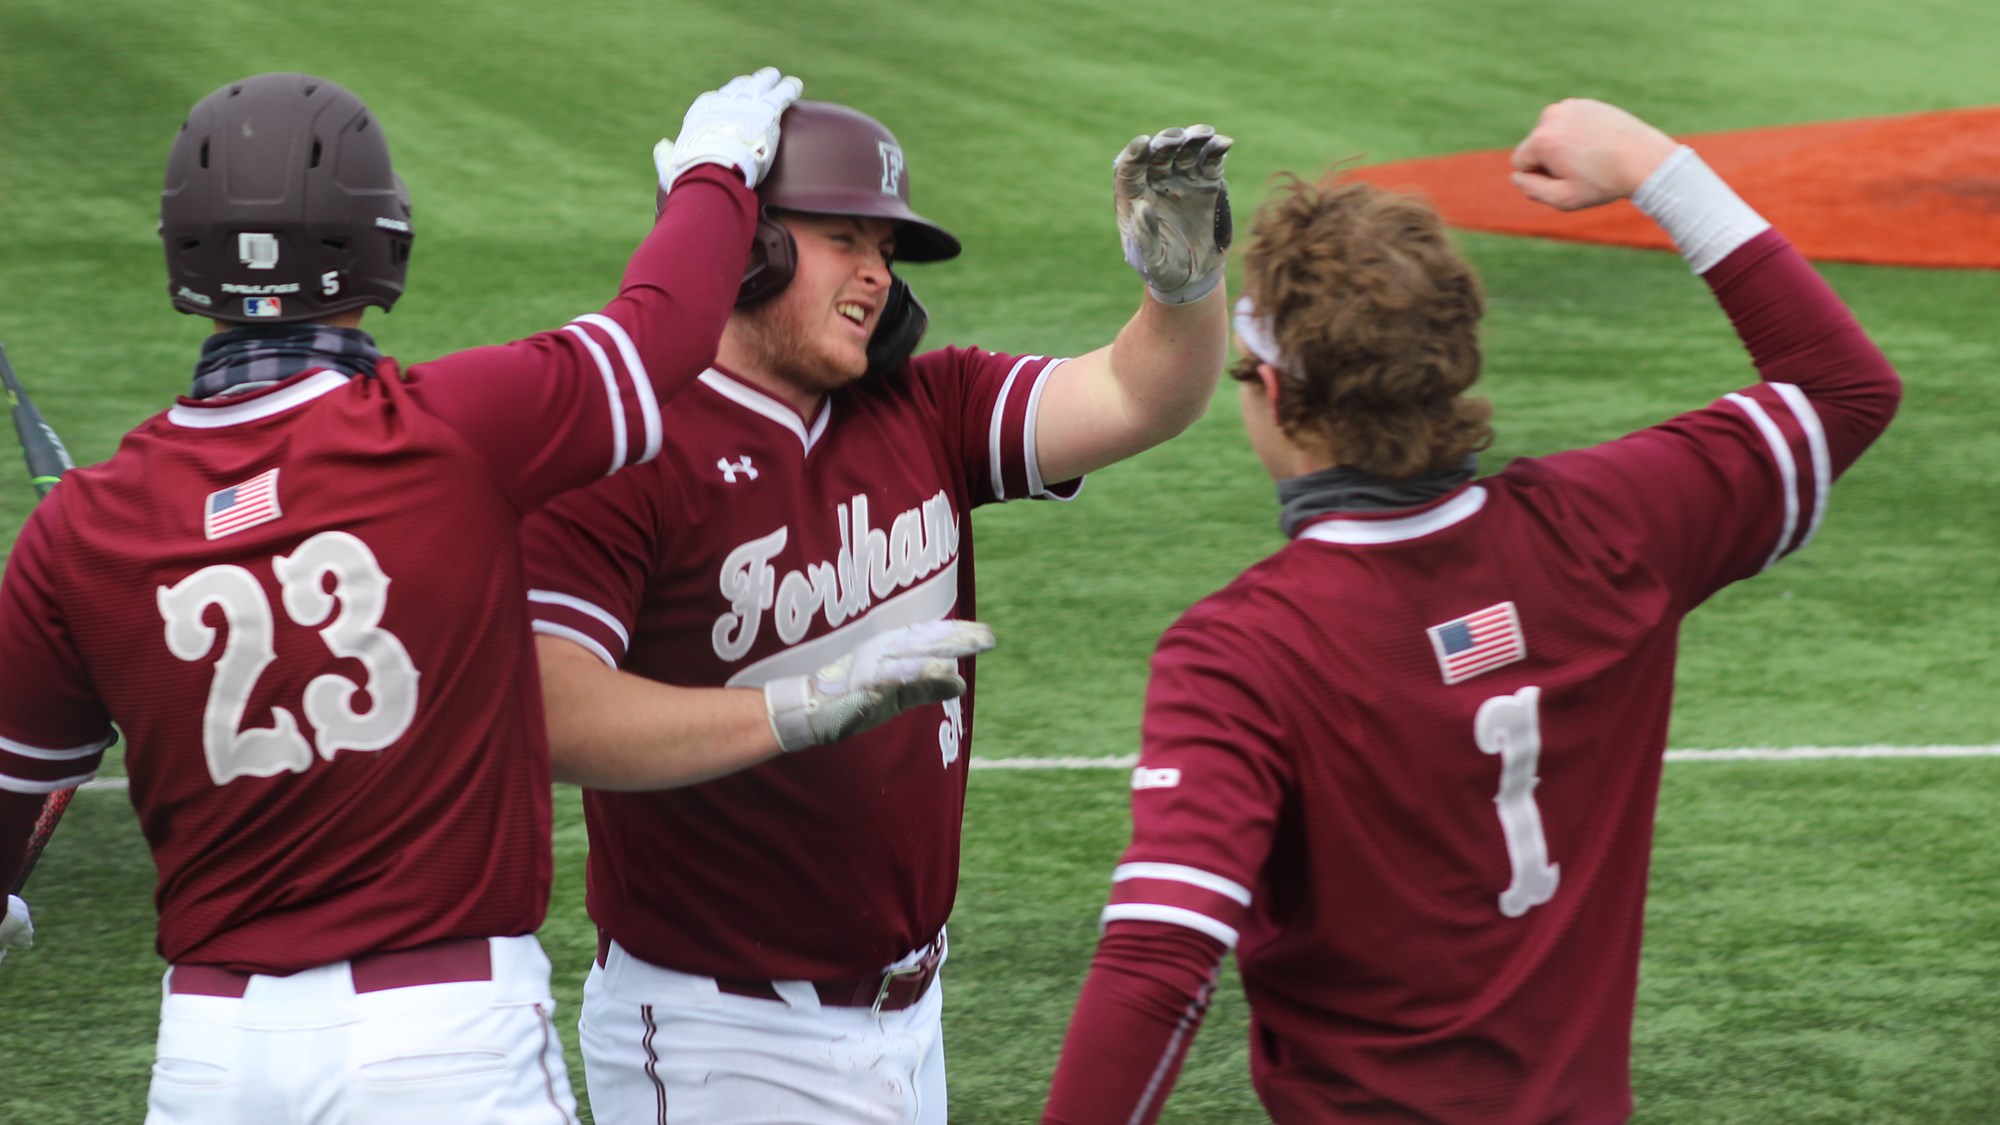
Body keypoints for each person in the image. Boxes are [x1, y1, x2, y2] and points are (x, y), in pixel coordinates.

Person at [0, 68, 979, 1124]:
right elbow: (660, 334)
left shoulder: (76, 531)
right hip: (443, 1039)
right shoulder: (454, 427)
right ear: (385, 243)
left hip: (210, 1055)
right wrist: (711, 179)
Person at [1040, 98, 1901, 1124]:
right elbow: (1843, 388)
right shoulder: (1610, 529)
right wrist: (1648, 162)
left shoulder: (1241, 652)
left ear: (1272, 392)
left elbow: (1158, 963)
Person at [518, 101, 1234, 1121]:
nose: (876, 275)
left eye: (885, 247)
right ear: (744, 246)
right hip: (724, 1030)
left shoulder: (925, 408)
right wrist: (793, 709)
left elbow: (1137, 395)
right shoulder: (631, 448)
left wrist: (1184, 284)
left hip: (910, 1013)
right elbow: (547, 712)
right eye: (841, 238)